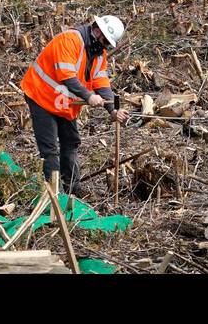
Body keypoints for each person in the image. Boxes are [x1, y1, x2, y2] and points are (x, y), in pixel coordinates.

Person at [20, 15, 129, 195]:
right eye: (105, 41)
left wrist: (113, 109)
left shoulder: (98, 54)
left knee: (71, 141)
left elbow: (101, 81)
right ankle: (56, 194)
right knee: (50, 148)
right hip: (40, 95)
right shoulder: (70, 40)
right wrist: (89, 96)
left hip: (61, 102)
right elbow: (67, 76)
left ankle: (73, 187)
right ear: (97, 31)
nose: (105, 46)